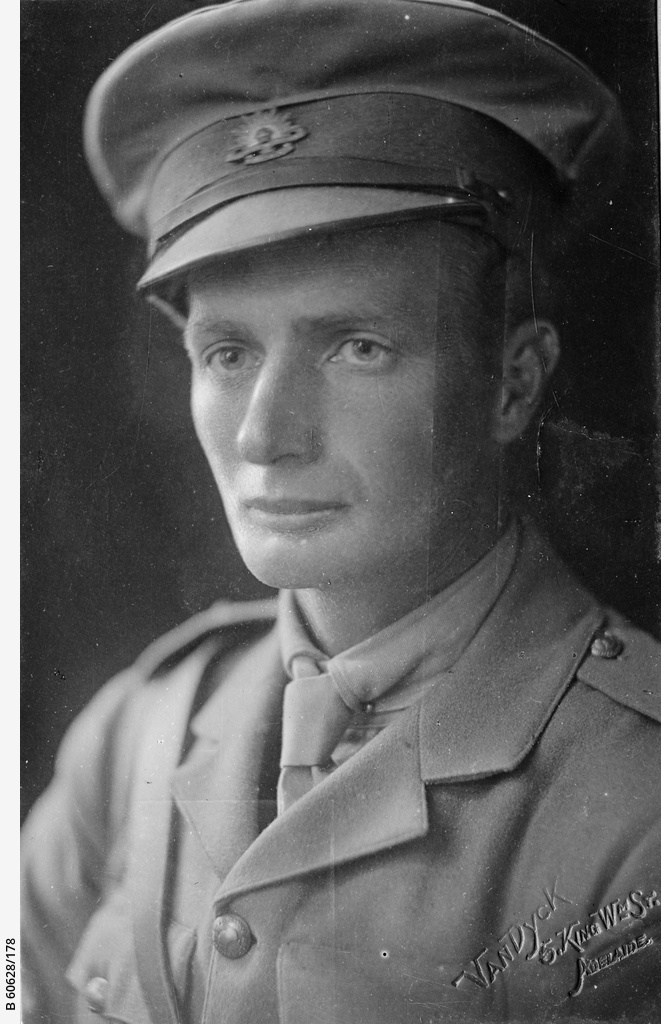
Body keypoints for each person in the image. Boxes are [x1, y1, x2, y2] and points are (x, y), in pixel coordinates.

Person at [21, 1, 660, 1021]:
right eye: (227, 354)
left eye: (355, 347)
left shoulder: (636, 802)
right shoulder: (131, 739)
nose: (267, 434)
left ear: (512, 381)